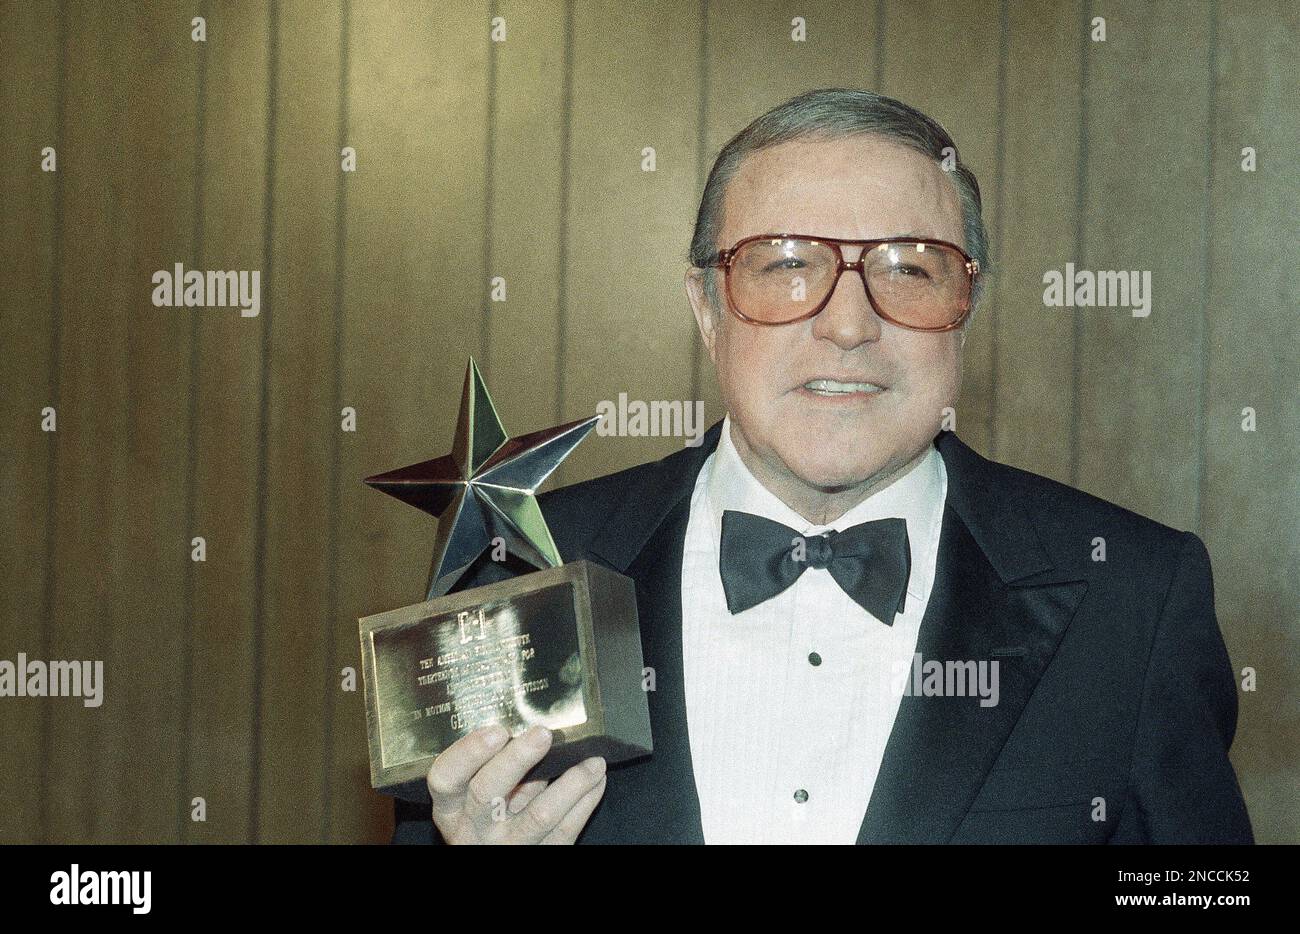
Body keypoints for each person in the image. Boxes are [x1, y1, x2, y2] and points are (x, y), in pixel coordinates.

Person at [393, 88, 1252, 844]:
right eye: (787, 265)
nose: (847, 325)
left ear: (966, 313)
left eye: (910, 269)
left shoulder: (1134, 597)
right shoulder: (520, 575)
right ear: (706, 307)